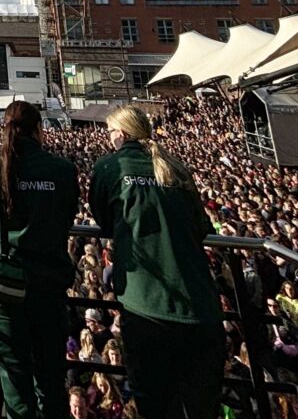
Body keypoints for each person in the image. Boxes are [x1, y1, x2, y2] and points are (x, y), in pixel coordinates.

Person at [90, 106, 222, 419]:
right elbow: (201, 226)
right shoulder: (176, 167)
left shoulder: (110, 167)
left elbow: (105, 220)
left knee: (155, 404)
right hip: (200, 304)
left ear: (120, 134)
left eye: (110, 133)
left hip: (146, 304)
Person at [0, 100, 78, 419]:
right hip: (48, 288)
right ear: (38, 129)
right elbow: (67, 216)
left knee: (15, 391)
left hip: (5, 290)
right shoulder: (62, 170)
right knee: (51, 384)